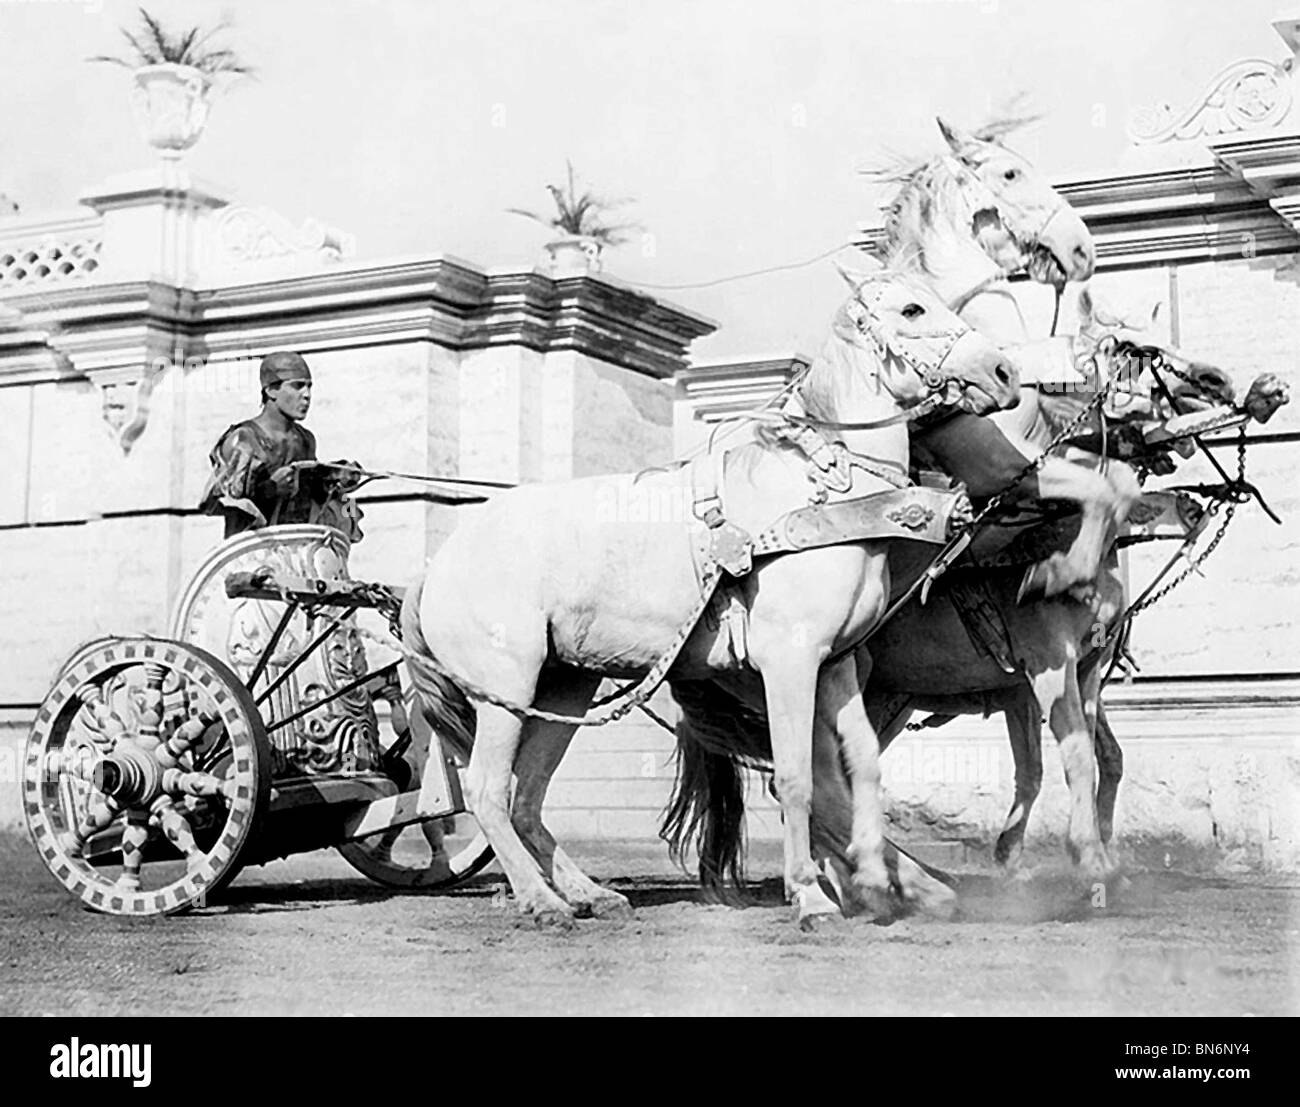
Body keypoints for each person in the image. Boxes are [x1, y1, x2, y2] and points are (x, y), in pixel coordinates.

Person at [199, 351, 363, 542]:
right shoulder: (244, 440)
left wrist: (336, 477)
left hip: (299, 548)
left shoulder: (305, 439)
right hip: (255, 552)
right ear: (271, 390)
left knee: (347, 504)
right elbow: (218, 501)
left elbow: (312, 489)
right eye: (297, 386)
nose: (307, 395)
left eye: (309, 387)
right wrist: (269, 489)